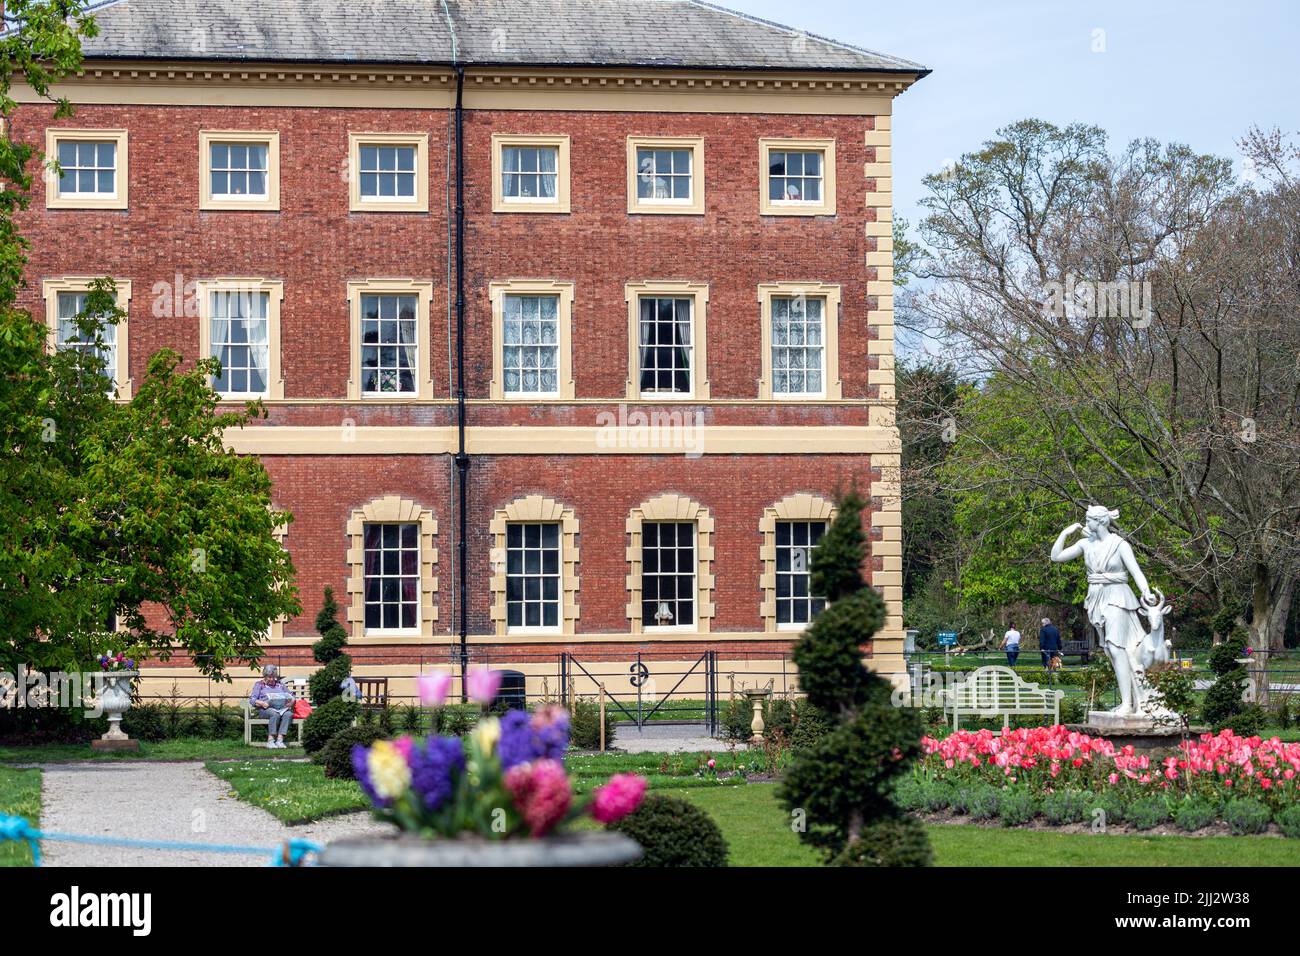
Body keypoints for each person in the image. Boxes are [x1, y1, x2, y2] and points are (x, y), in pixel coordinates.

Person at [249, 664, 294, 748]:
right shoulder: (259, 685)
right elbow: (252, 700)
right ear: (265, 676)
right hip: (265, 709)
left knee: (288, 714)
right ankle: (271, 740)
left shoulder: (280, 684)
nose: (272, 679)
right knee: (275, 714)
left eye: (273, 677)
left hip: (281, 708)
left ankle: (280, 740)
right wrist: (262, 703)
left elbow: (291, 695)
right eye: (269, 677)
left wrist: (290, 702)